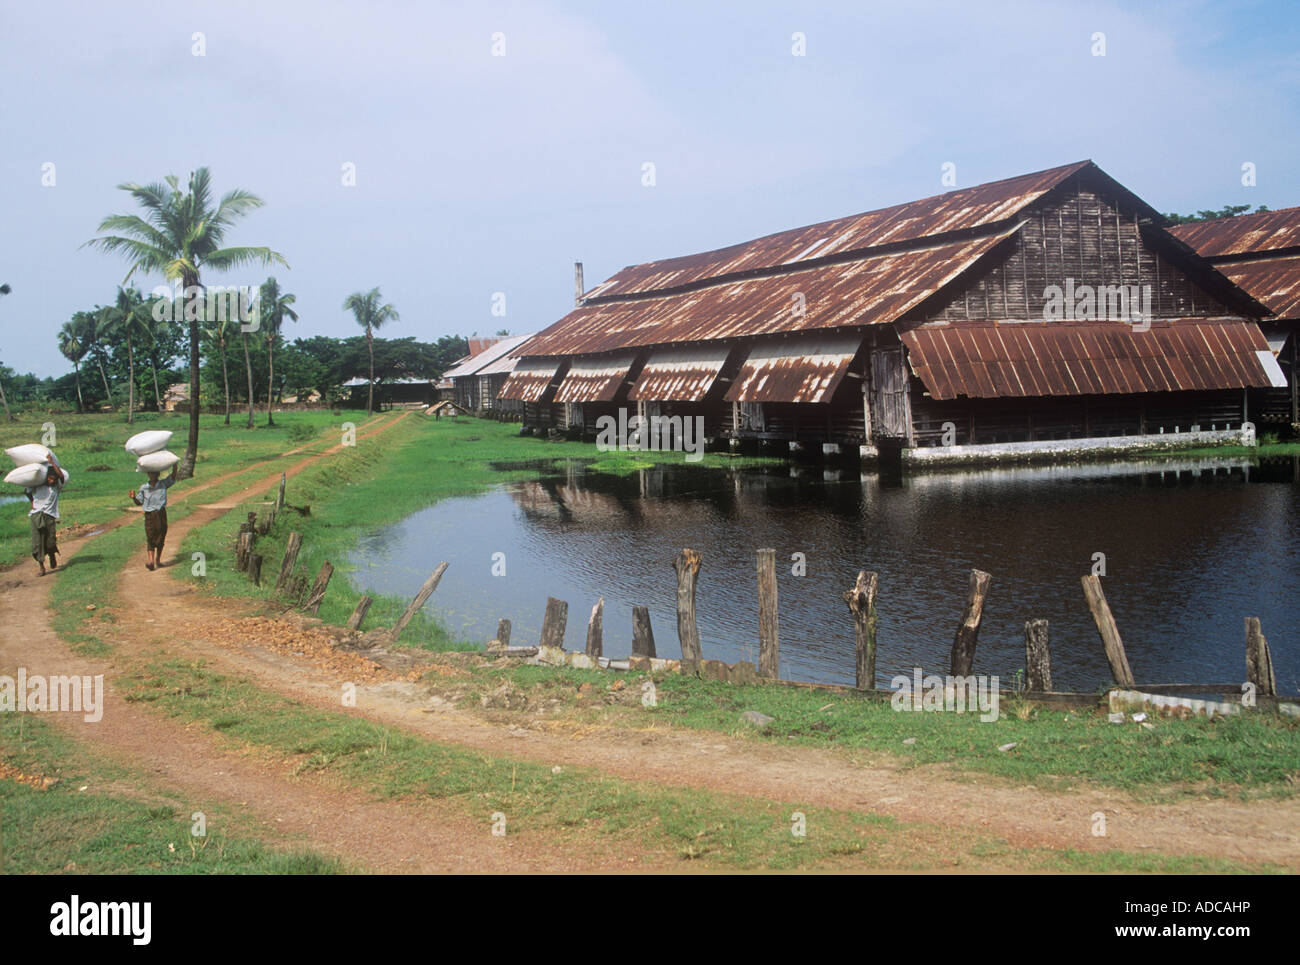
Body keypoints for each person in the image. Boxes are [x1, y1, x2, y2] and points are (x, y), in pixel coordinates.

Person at [129, 464, 178, 571]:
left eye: (154, 473)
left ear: (158, 474)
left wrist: (175, 466)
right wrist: (133, 497)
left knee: (161, 536)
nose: (152, 475)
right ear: (148, 474)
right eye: (150, 473)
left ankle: (158, 560)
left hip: (161, 513)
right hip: (149, 515)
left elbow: (173, 477)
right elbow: (139, 502)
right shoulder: (144, 488)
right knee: (150, 536)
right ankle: (150, 561)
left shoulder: (163, 484)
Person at [25, 463, 69, 577]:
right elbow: (27, 491)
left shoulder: (56, 487)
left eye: (53, 479)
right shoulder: (39, 485)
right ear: (46, 478)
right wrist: (32, 502)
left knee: (50, 541)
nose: (51, 481)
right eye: (49, 478)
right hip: (36, 516)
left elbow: (61, 477)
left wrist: (52, 462)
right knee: (38, 543)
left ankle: (52, 555)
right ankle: (42, 568)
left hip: (49, 516)